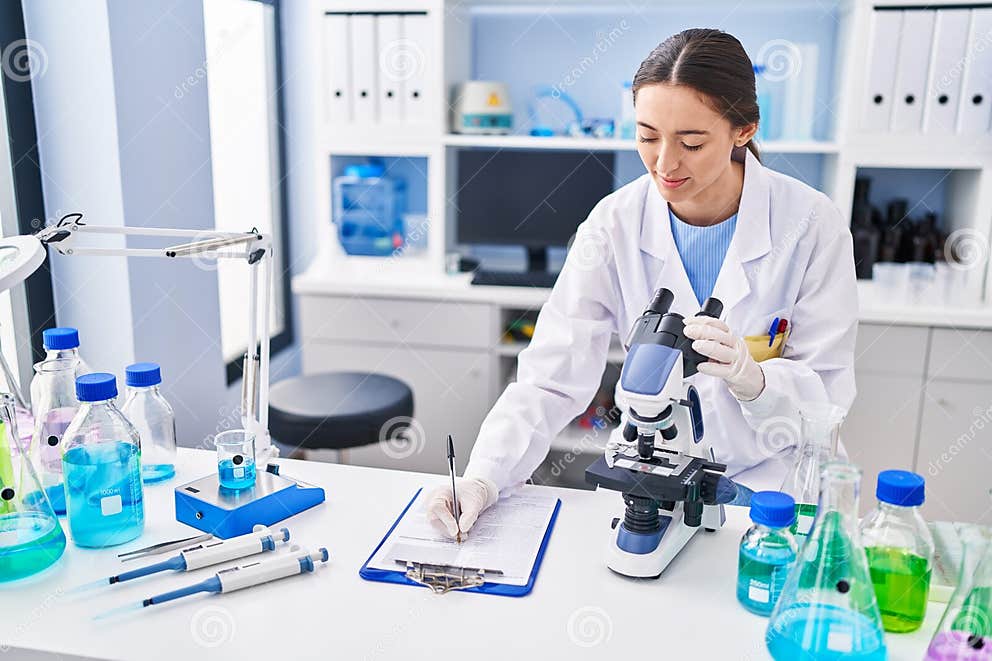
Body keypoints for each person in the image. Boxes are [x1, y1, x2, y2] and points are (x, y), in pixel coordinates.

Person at [428, 28, 857, 539]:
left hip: (771, 490)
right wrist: (483, 478)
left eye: (691, 142)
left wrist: (755, 381)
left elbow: (827, 401)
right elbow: (549, 378)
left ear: (743, 130)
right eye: (647, 136)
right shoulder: (614, 224)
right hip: (649, 479)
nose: (664, 163)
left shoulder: (810, 225)